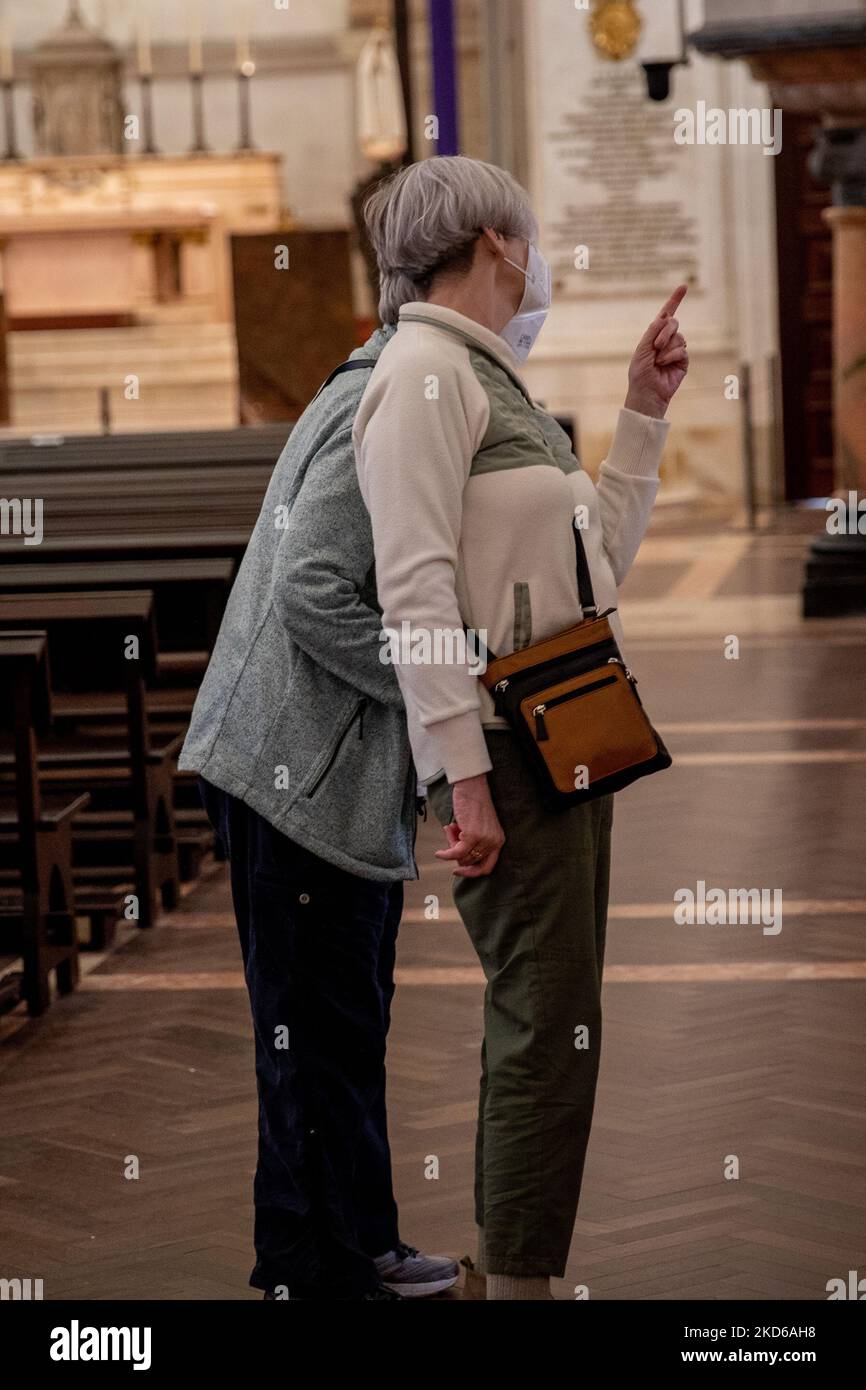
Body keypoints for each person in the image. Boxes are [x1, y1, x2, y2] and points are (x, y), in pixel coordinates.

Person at [353, 155, 689, 1300]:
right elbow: (413, 589)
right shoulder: (423, 375)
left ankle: (519, 1267)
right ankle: (521, 1281)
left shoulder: (492, 378)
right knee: (542, 1021)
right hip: (504, 749)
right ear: (495, 243)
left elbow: (592, 566)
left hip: (563, 728)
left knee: (556, 1016)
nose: (534, 248)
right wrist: (463, 777)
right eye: (525, 232)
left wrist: (642, 413)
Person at [178, 305, 458, 1300]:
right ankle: (320, 1264)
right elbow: (313, 593)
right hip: (293, 779)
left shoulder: (382, 382)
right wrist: (440, 679)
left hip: (308, 775)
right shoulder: (375, 404)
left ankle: (345, 1248)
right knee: (314, 1032)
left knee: (333, 1028)